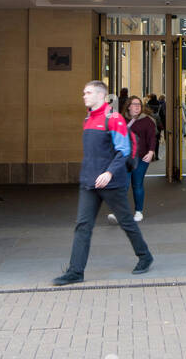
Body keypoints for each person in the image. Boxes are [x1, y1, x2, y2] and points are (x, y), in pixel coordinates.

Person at [53, 80, 153, 286]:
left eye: (88, 92)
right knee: (83, 226)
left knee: (126, 222)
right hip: (89, 182)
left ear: (101, 96)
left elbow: (123, 150)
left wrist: (109, 173)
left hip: (111, 183)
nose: (84, 96)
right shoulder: (88, 119)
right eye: (84, 92)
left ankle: (145, 256)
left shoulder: (113, 119)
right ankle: (75, 271)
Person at [109, 96, 157, 226]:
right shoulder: (121, 120)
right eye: (134, 104)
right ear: (128, 106)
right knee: (123, 185)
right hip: (124, 158)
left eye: (139, 105)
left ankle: (138, 211)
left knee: (137, 184)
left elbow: (152, 138)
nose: (137, 107)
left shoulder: (147, 121)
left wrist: (151, 152)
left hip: (141, 158)